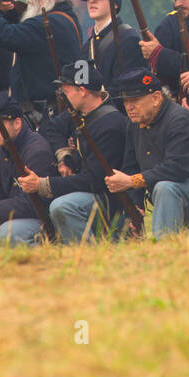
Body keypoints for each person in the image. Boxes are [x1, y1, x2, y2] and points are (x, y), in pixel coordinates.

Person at [104, 68, 189, 238]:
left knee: (165, 187)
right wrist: (136, 206)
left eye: (134, 100)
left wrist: (131, 181)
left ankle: (162, 249)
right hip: (164, 192)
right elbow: (131, 166)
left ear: (156, 98)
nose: (129, 107)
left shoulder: (178, 119)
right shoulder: (134, 123)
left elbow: (176, 169)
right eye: (126, 101)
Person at [27, 63, 130, 242]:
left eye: (66, 91)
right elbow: (53, 128)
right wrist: (64, 157)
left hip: (109, 200)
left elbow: (95, 180)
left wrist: (43, 185)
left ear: (82, 90)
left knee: (62, 206)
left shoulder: (110, 125)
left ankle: (86, 256)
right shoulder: (80, 113)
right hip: (89, 190)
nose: (64, 97)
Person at [0, 92, 56, 247]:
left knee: (9, 232)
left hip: (43, 221)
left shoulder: (37, 151)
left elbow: (34, 204)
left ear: (17, 123)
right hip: (17, 217)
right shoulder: (2, 151)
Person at [79, 0, 146, 96]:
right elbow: (81, 83)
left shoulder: (128, 40)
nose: (92, 1)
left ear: (115, 4)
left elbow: (126, 89)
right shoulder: (88, 46)